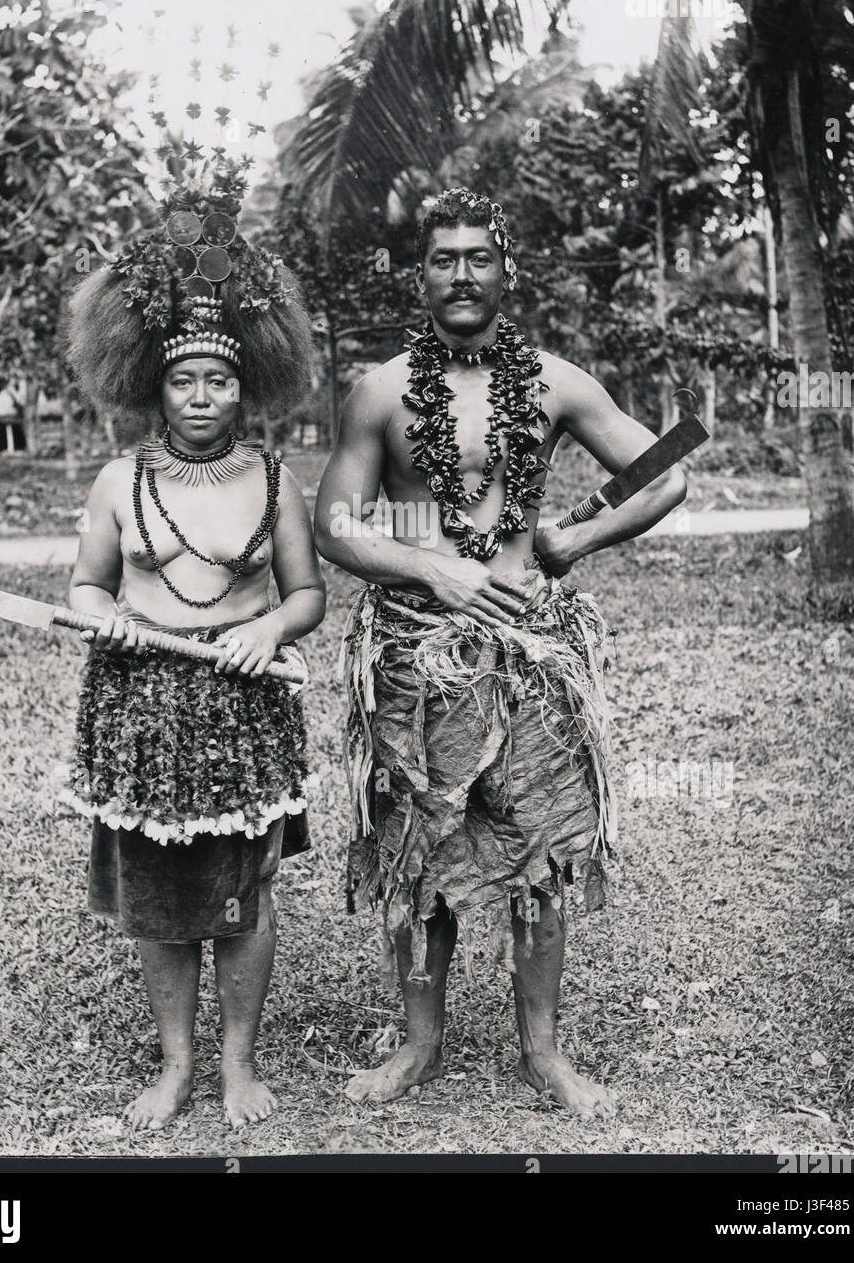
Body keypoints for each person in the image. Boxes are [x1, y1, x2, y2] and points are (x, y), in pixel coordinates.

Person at [315, 186, 686, 1114]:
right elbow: (333, 523)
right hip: (414, 652)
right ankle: (419, 1045)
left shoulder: (556, 382)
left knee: (543, 853)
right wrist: (427, 568)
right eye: (443, 258)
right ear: (422, 274)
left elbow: (664, 471)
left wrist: (573, 540)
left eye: (479, 257)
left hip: (529, 654)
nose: (461, 274)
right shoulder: (382, 390)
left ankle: (543, 1054)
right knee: (415, 846)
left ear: (505, 271)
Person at [60, 158, 325, 1131]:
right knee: (161, 903)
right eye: (184, 379)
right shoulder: (115, 482)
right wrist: (99, 612)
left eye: (218, 378)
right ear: (155, 384)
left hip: (245, 705)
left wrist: (265, 624)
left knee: (241, 900)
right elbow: (87, 584)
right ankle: (174, 1067)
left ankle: (237, 1065)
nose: (203, 396)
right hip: (140, 708)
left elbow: (307, 597)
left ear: (242, 383)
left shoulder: (274, 477)